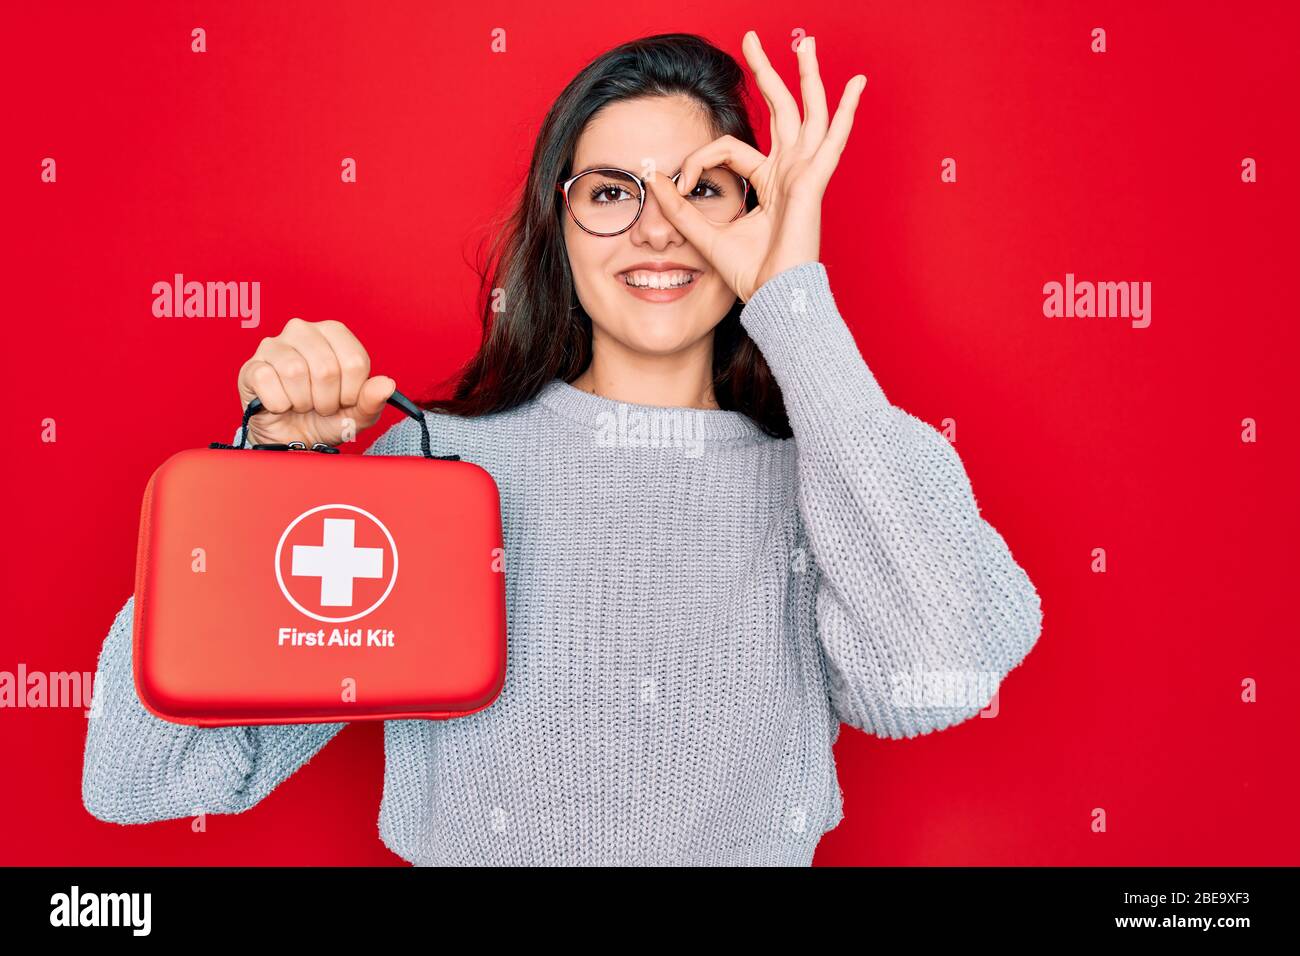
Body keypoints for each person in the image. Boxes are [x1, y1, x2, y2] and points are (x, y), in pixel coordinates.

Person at [81, 30, 1043, 866]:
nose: (659, 229)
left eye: (702, 187)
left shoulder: (828, 484)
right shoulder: (440, 482)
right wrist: (268, 491)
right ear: (559, 223)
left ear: (755, 209)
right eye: (612, 192)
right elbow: (149, 773)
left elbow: (942, 671)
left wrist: (794, 300)